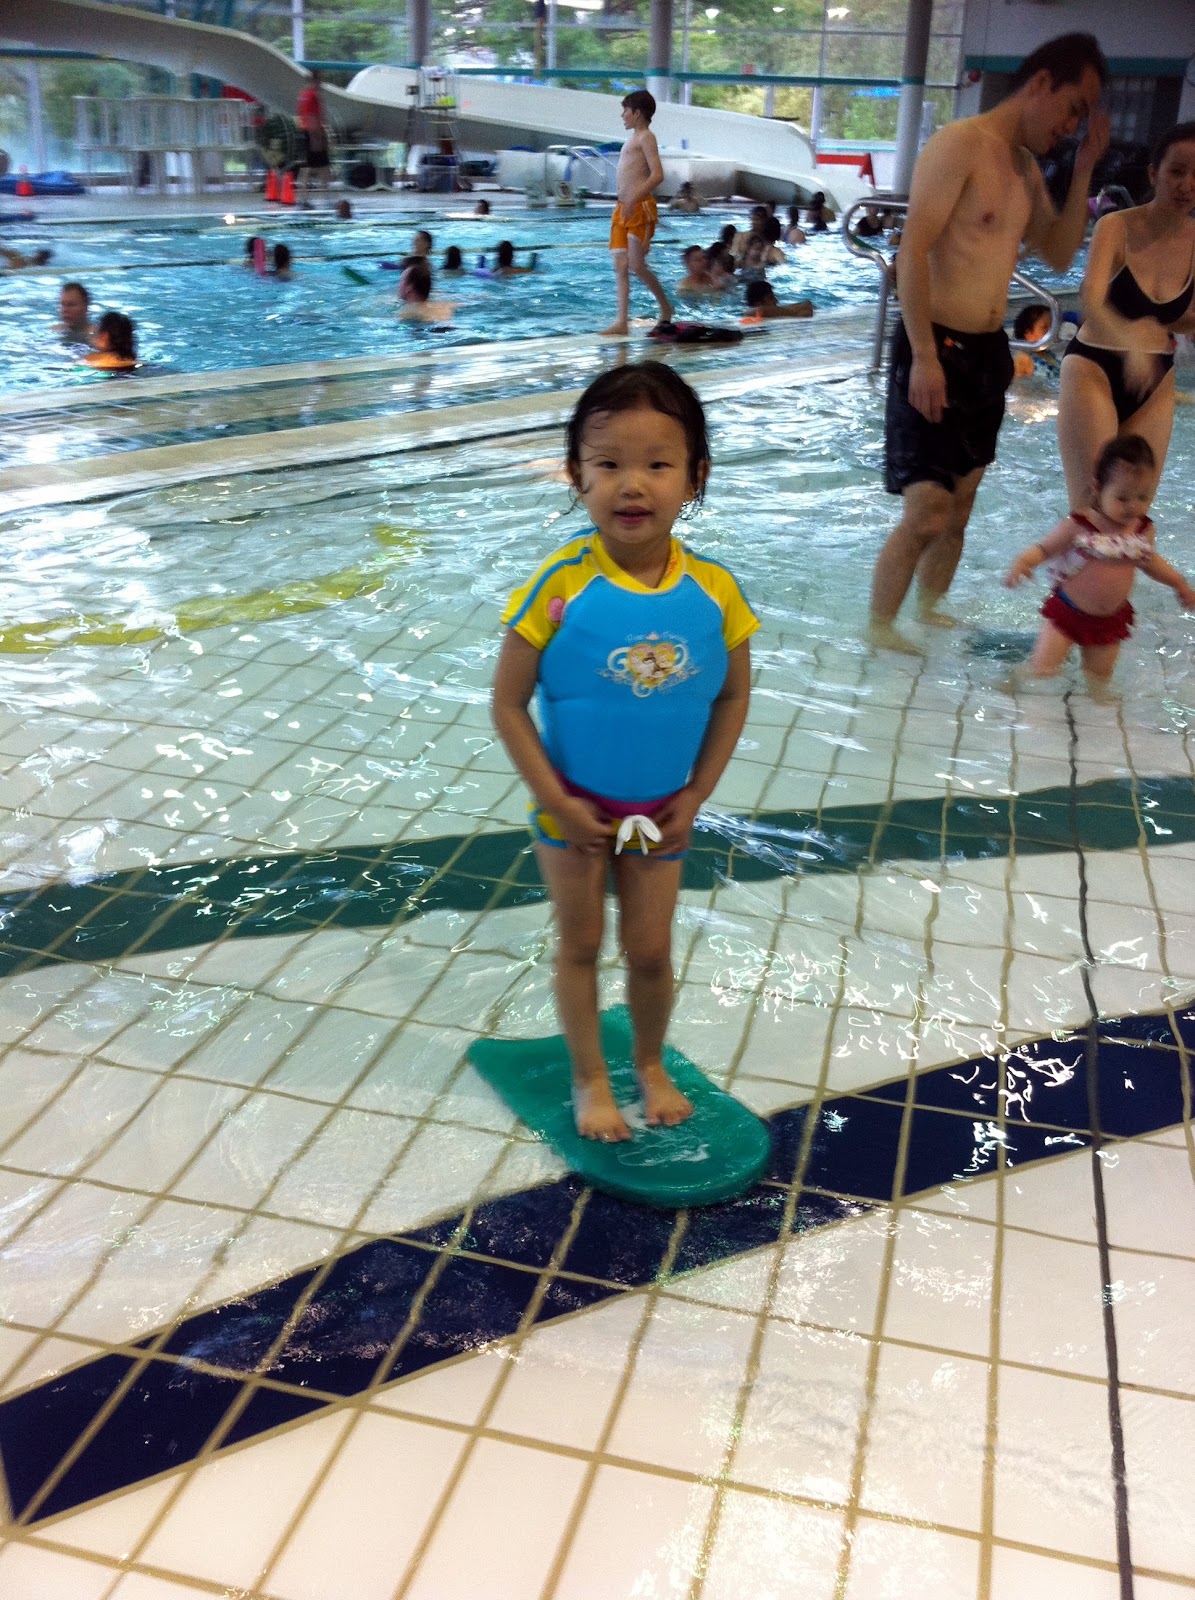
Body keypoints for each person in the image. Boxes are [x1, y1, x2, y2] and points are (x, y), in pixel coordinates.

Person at [491, 362, 756, 1142]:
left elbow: (733, 695)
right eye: (607, 465)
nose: (630, 485)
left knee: (648, 950)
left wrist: (697, 793)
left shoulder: (714, 590)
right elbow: (506, 703)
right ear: (576, 476)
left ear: (695, 477)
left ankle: (647, 1063)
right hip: (569, 805)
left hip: (662, 809)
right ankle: (588, 1079)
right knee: (580, 944)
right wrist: (554, 801)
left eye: (656, 464)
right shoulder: (560, 585)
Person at [866, 31, 1110, 655]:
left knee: (962, 505)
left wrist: (1083, 167)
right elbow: (911, 249)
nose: (1071, 125)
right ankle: (878, 631)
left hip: (985, 353)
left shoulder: (1026, 169)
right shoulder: (960, 146)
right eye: (1073, 107)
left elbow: (1056, 253)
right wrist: (922, 354)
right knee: (927, 513)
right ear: (1040, 84)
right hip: (935, 345)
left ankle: (926, 612)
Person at [1056, 122, 1195, 513]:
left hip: (1155, 377)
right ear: (1154, 173)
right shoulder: (1114, 227)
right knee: (1093, 512)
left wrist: (1159, 331)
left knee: (1132, 513)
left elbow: (1184, 317)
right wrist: (1132, 342)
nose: (1187, 184)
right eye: (1177, 171)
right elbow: (1092, 301)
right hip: (1093, 369)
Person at [1003, 434, 1194, 700]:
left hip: (1109, 621)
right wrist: (1023, 562)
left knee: (1099, 681)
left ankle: (1096, 720)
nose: (1133, 506)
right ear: (1097, 488)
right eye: (1122, 498)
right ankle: (1010, 683)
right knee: (1043, 669)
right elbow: (1046, 548)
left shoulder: (1142, 531)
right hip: (1067, 614)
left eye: (1143, 496)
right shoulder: (1081, 524)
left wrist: (1178, 583)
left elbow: (1150, 562)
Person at [603, 90, 674, 336]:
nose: (622, 115)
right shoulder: (633, 139)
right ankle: (621, 321)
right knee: (620, 265)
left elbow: (657, 174)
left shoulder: (646, 137)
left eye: (626, 110)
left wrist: (633, 197)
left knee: (636, 265)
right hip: (623, 208)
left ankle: (666, 307)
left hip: (639, 207)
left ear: (638, 113)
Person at [296, 70, 332, 208]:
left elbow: (303, 115)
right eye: (321, 81)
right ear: (316, 81)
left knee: (317, 167)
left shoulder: (303, 95)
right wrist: (317, 137)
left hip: (305, 132)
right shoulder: (313, 96)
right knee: (316, 167)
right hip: (313, 133)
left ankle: (307, 198)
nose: (322, 84)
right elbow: (312, 117)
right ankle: (310, 199)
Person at [397, 258, 453, 323]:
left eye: (401, 281)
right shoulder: (445, 306)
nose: (398, 285)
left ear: (409, 288)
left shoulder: (406, 312)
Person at [1011, 302, 1055, 377]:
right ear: (1028, 334)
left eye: (1052, 326)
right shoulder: (1024, 359)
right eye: (1044, 327)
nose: (1051, 331)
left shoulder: (1047, 353)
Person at [743, 280, 813, 320]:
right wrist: (795, 311)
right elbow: (805, 312)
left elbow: (807, 306)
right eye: (770, 298)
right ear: (757, 303)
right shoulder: (754, 312)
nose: (776, 301)